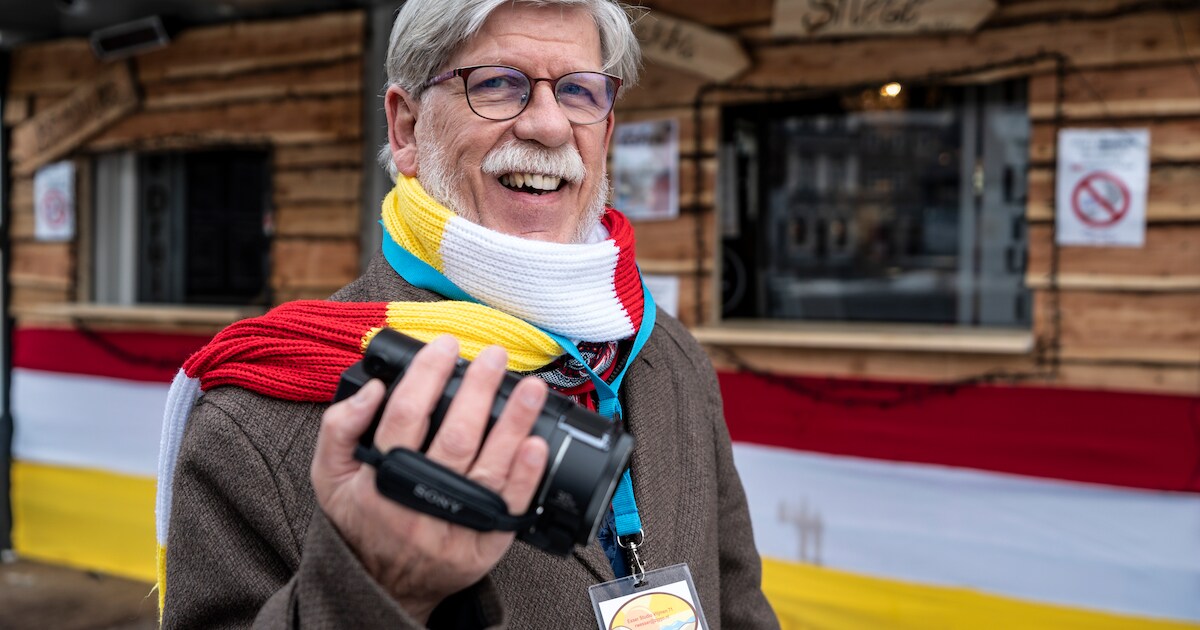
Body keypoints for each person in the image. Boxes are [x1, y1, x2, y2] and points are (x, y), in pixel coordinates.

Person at [155, 0, 779, 627]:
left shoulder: (666, 353)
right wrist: (377, 587)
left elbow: (742, 603)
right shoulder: (260, 419)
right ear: (405, 129)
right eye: (499, 84)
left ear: (606, 133)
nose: (550, 126)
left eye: (580, 92)